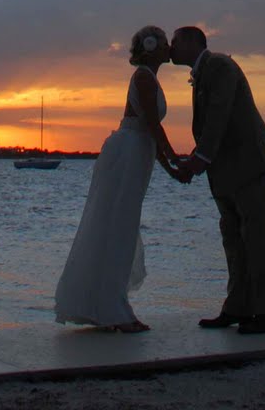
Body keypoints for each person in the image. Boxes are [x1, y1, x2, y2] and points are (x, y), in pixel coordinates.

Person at [54, 25, 185, 332]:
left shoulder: (148, 77)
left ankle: (106, 305)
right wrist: (174, 165)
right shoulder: (143, 77)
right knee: (118, 226)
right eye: (166, 43)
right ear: (153, 47)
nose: (170, 48)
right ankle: (114, 310)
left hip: (137, 152)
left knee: (120, 225)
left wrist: (168, 165)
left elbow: (152, 131)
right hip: (128, 152)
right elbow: (153, 126)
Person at [169, 25, 265, 334]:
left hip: (249, 165)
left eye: (175, 41)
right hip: (226, 171)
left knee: (257, 238)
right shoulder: (203, 72)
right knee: (234, 240)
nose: (170, 47)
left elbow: (219, 114)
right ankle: (239, 308)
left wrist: (197, 161)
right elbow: (211, 123)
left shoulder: (219, 65)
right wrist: (199, 160)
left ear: (194, 41)